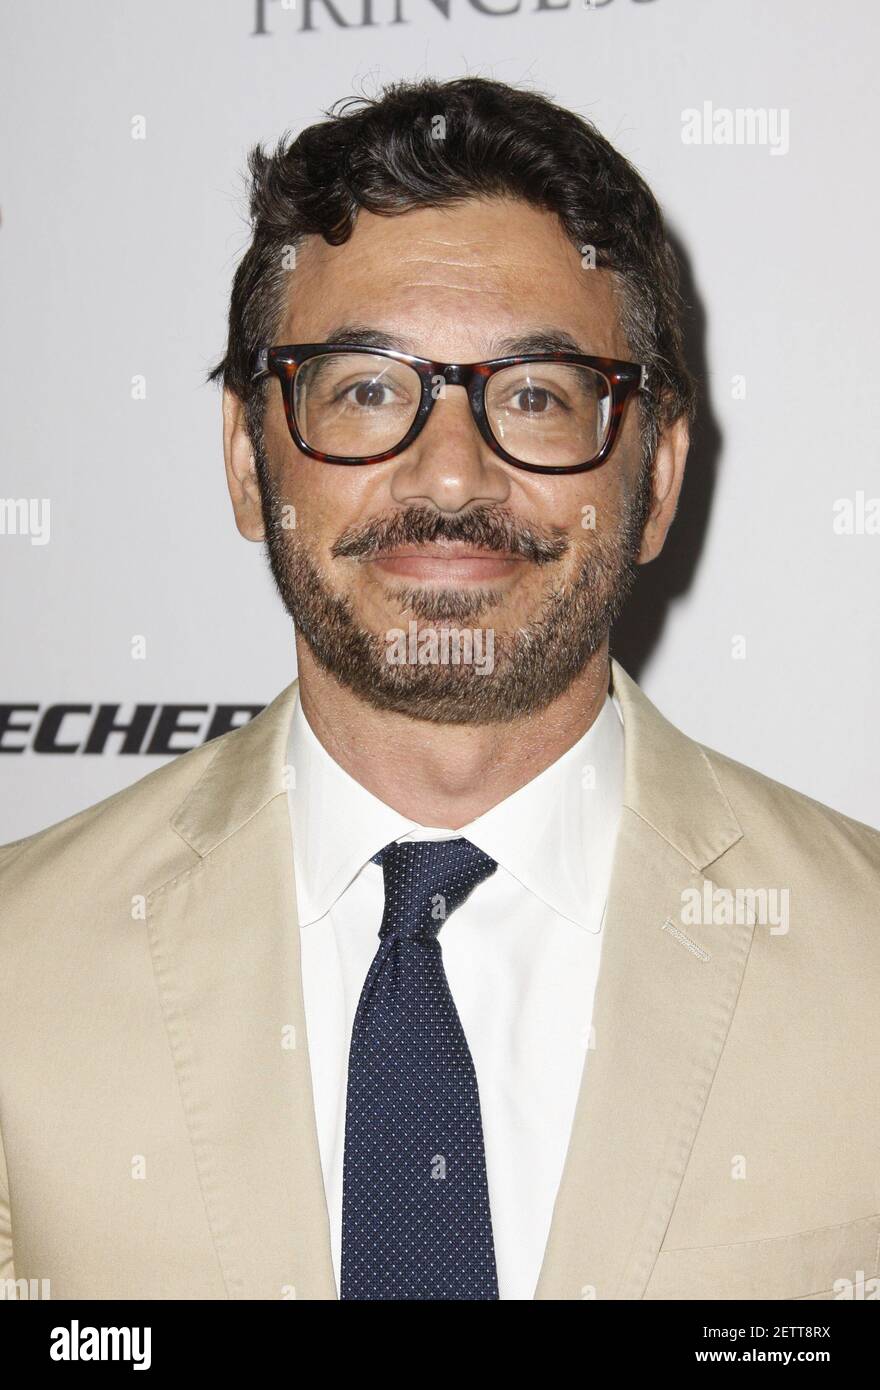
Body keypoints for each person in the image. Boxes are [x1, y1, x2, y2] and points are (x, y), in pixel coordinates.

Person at [1, 77, 878, 1303]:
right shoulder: (17, 965)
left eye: (534, 394)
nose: (452, 474)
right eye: (364, 387)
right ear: (248, 463)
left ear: (659, 481)